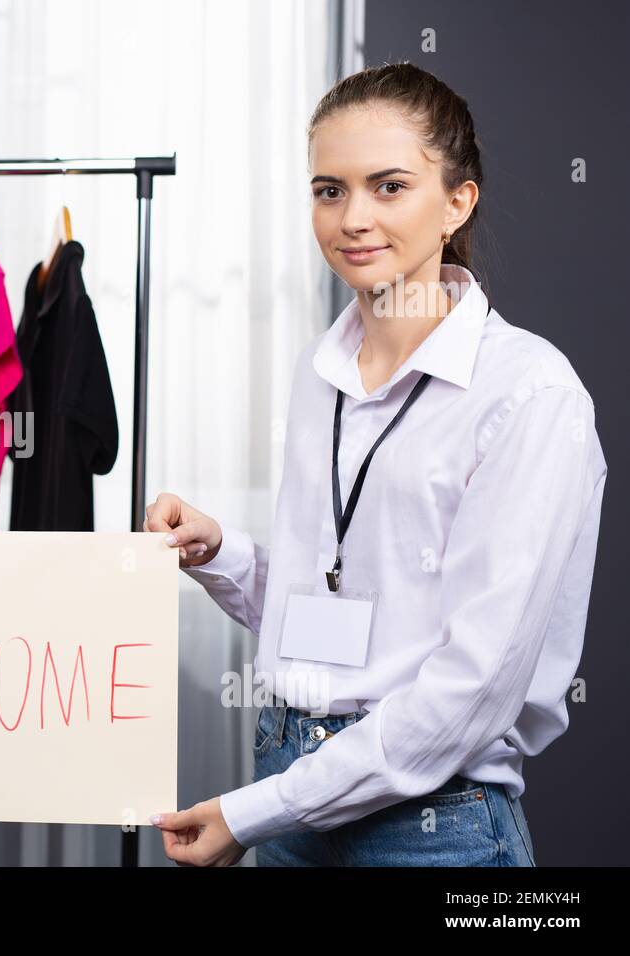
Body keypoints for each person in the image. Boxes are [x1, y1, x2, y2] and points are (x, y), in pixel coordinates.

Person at [146, 62, 606, 867]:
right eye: (329, 190)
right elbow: (340, 620)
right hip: (292, 793)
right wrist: (221, 554)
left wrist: (258, 811)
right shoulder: (319, 372)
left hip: (430, 822)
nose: (353, 218)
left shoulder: (529, 392)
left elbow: (470, 690)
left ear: (457, 202)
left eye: (388, 186)